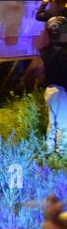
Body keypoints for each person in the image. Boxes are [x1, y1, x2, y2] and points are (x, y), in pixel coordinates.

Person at [42, 16, 67, 154]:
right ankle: (61, 155)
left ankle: (49, 152)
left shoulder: (46, 50)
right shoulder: (64, 52)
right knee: (64, 126)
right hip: (62, 91)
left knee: (52, 124)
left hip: (50, 90)